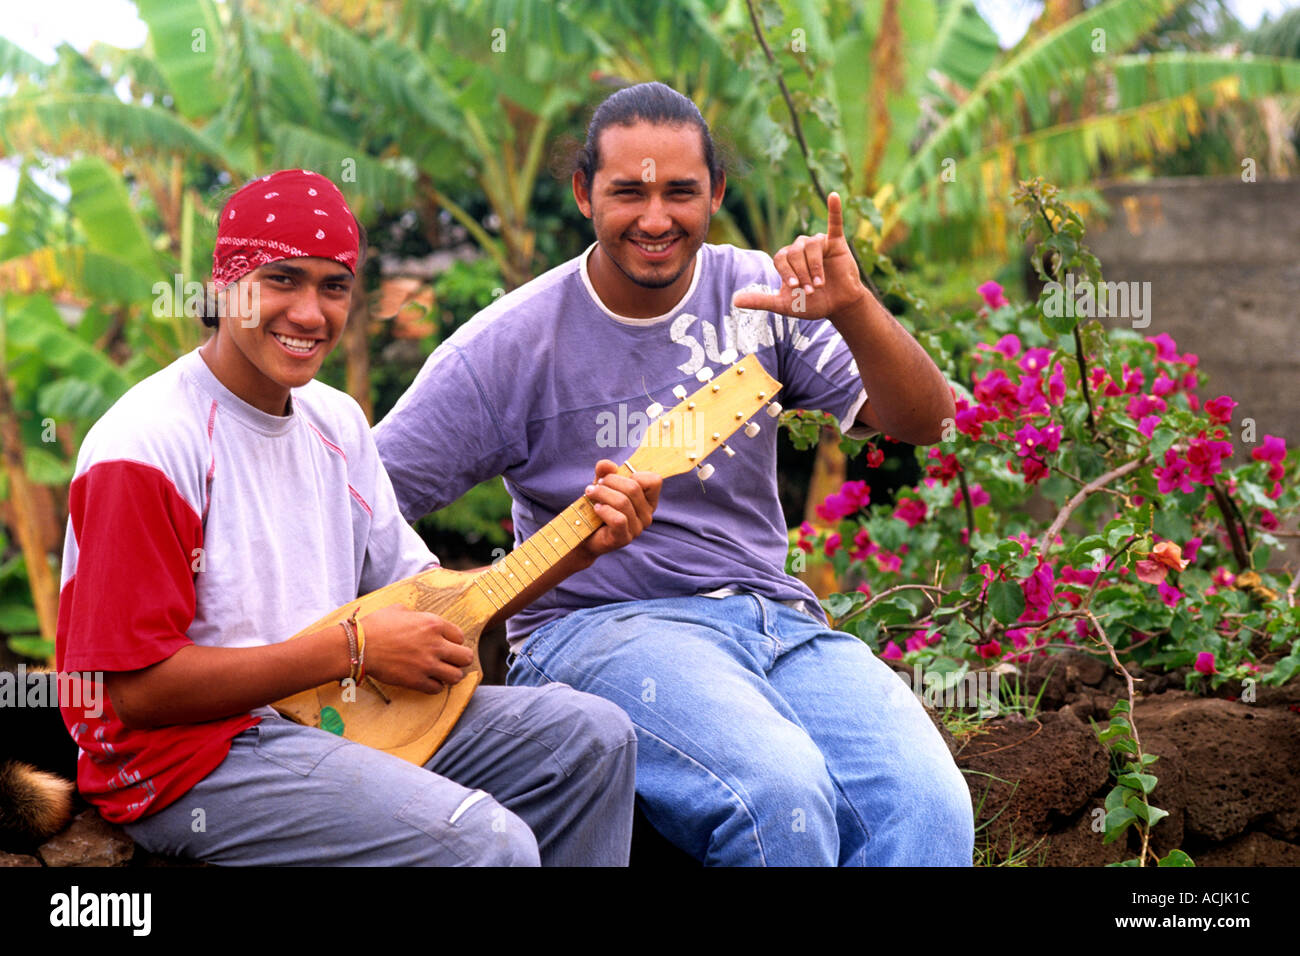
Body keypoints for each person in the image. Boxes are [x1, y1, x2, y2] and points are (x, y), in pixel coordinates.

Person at [374, 82, 975, 866]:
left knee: (929, 806)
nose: (655, 218)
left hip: (778, 622)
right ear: (585, 194)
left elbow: (936, 423)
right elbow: (361, 499)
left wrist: (853, 305)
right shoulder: (507, 346)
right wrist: (449, 598)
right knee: (778, 795)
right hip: (602, 630)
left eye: (680, 192)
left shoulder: (763, 297)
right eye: (628, 192)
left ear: (715, 194)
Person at [55, 169, 661, 866]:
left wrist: (581, 543)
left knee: (595, 736)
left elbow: (439, 607)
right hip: (189, 759)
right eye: (282, 280)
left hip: (339, 712)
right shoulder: (148, 441)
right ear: (224, 285)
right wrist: (353, 649)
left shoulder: (337, 422)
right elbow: (132, 693)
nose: (311, 314)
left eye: (333, 286)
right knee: (487, 847)